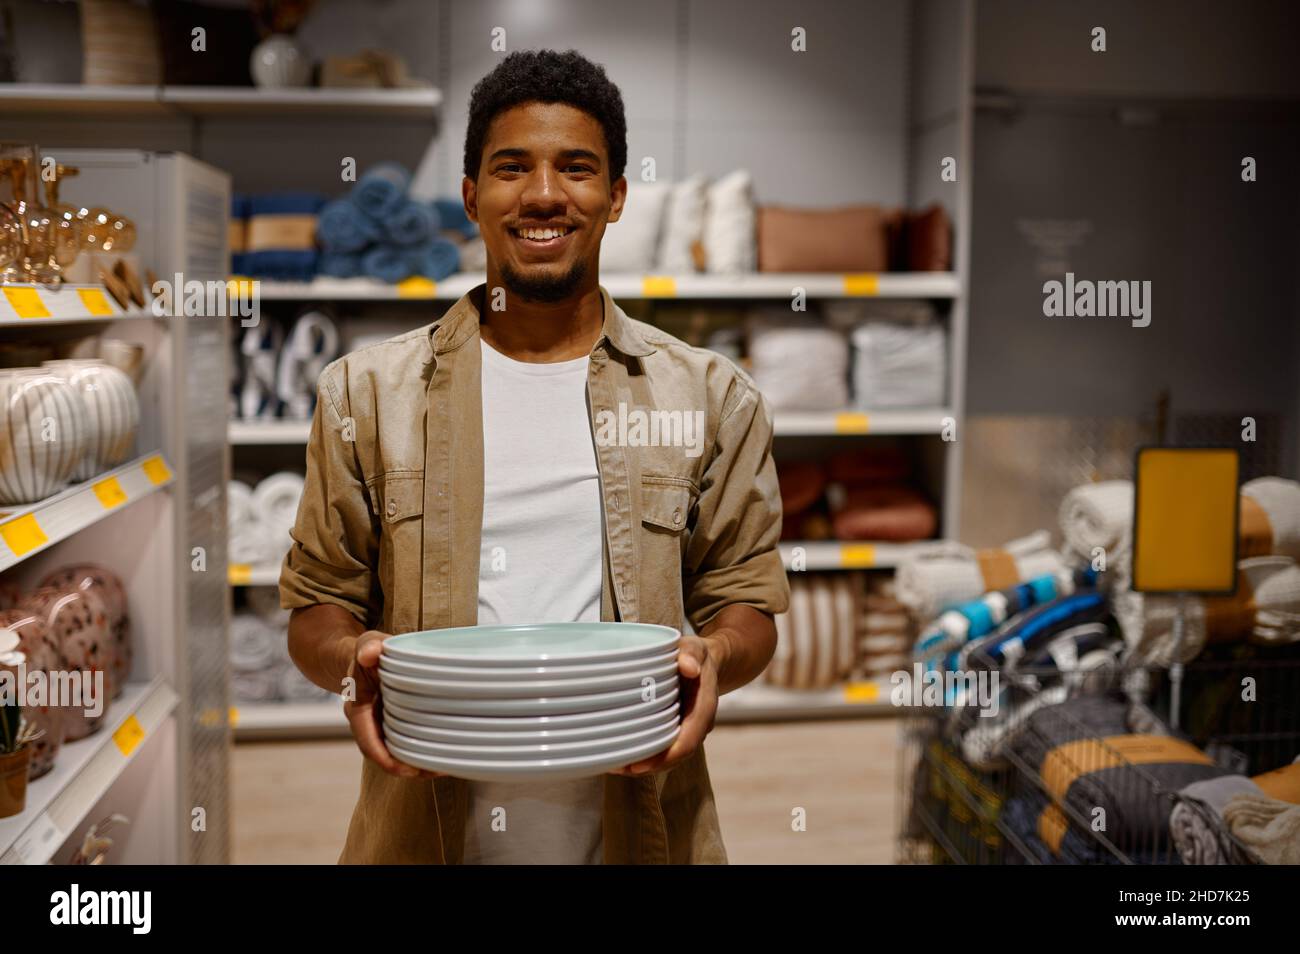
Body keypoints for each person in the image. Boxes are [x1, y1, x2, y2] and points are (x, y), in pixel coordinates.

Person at [280, 48, 789, 864]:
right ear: (473, 198)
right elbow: (315, 606)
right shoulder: (366, 394)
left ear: (615, 197)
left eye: (577, 169)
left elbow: (746, 599)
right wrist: (351, 661)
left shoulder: (708, 396)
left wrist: (715, 658)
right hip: (424, 831)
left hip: (644, 827)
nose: (545, 194)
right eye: (513, 167)